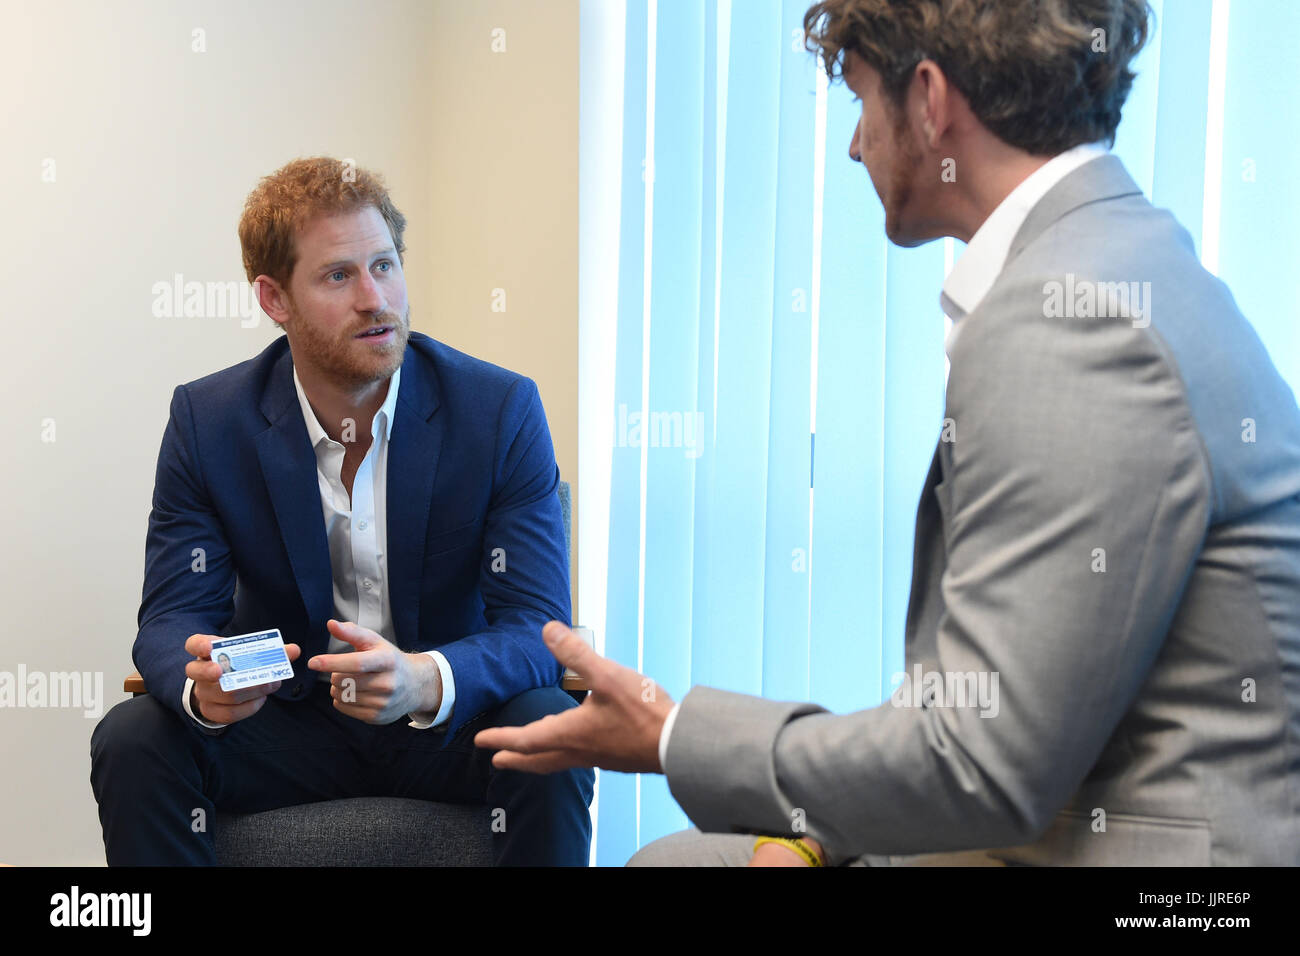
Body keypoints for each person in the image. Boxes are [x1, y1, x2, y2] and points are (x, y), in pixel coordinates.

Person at [475, 0, 1300, 866]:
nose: (856, 144)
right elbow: (1021, 697)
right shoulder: (1118, 259)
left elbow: (983, 766)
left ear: (932, 100)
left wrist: (672, 734)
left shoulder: (1071, 323)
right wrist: (818, 839)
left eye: (864, 102)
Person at [90, 157, 593, 866]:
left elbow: (539, 628)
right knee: (134, 736)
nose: (374, 299)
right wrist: (204, 688)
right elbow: (171, 617)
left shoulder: (498, 411)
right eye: (338, 276)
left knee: (552, 728)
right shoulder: (209, 421)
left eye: (385, 266)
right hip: (288, 726)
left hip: (447, 728)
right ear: (274, 299)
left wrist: (425, 679)